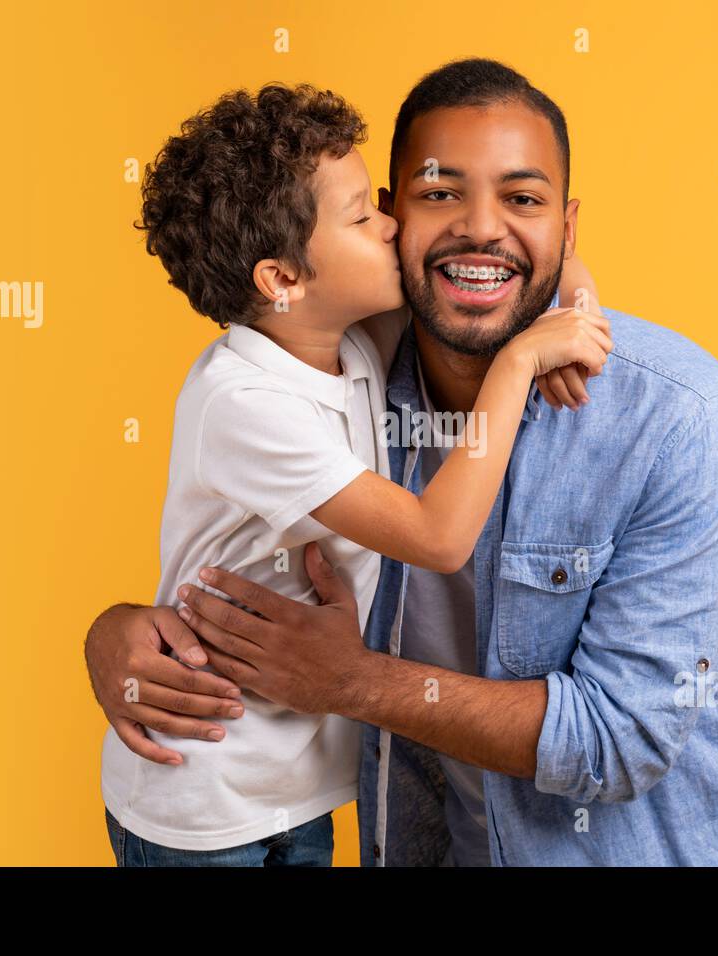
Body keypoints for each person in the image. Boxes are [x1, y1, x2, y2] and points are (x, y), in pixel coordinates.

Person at [87, 58, 718, 866]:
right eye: (440, 193)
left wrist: (348, 680)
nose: (481, 227)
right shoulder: (352, 360)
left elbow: (618, 740)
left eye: (523, 200)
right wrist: (116, 636)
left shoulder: (682, 421)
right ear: (390, 219)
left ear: (568, 228)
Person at [99, 80, 611, 866]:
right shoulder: (242, 401)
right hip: (202, 790)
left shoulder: (348, 338)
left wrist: (571, 301)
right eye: (362, 216)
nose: (394, 225)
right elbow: (438, 537)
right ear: (282, 280)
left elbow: (518, 258)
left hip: (295, 787)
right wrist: (521, 359)